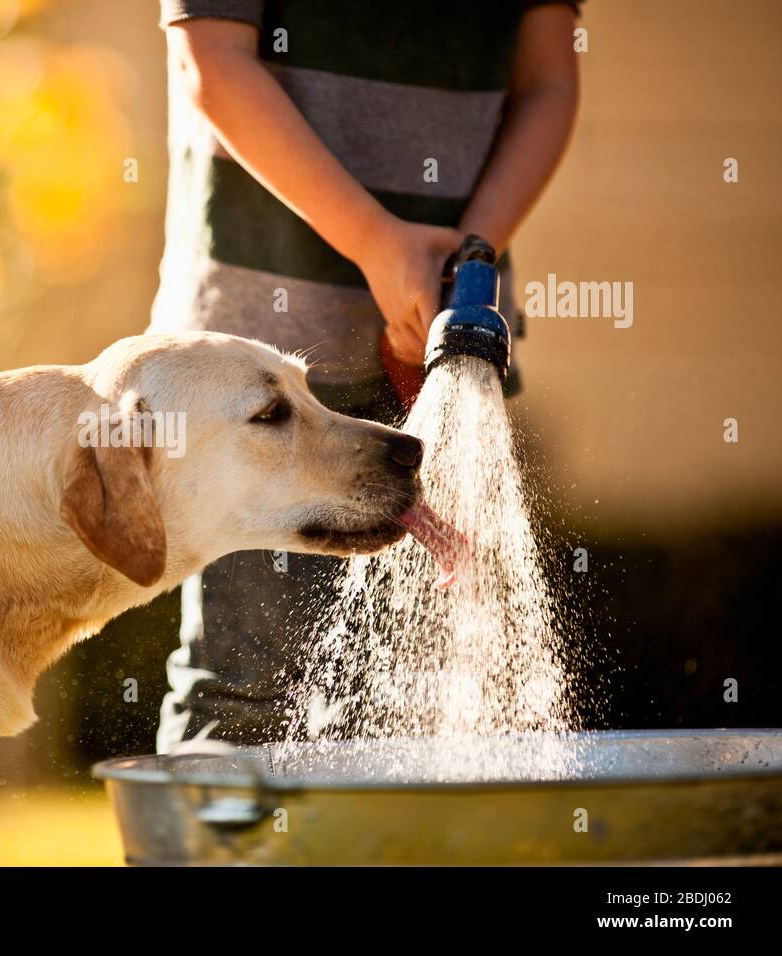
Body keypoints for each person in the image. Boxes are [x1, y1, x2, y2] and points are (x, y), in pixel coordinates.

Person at [152, 0, 582, 750]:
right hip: (258, 355)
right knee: (248, 691)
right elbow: (211, 63)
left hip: (445, 333)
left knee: (437, 703)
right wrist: (380, 245)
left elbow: (549, 81)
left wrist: (465, 256)